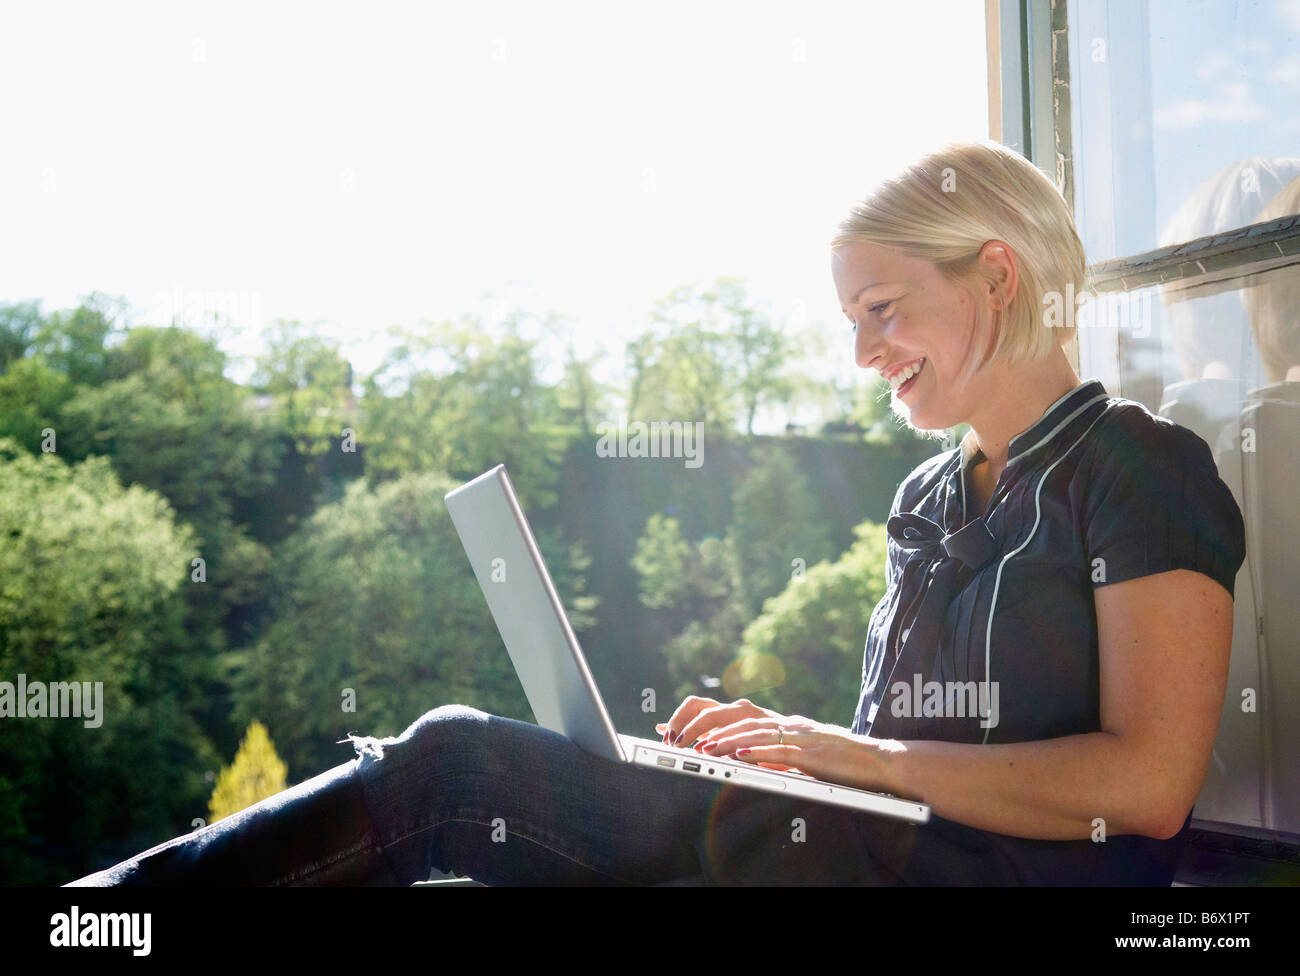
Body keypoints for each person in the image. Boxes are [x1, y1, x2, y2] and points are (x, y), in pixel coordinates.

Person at [68, 140, 1245, 886]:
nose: (860, 355)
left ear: (996, 275)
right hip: (855, 853)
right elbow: (887, 757)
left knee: (457, 768)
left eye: (881, 308)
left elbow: (1145, 787)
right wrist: (788, 753)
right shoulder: (929, 493)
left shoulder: (1136, 472)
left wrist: (852, 759)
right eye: (849, 320)